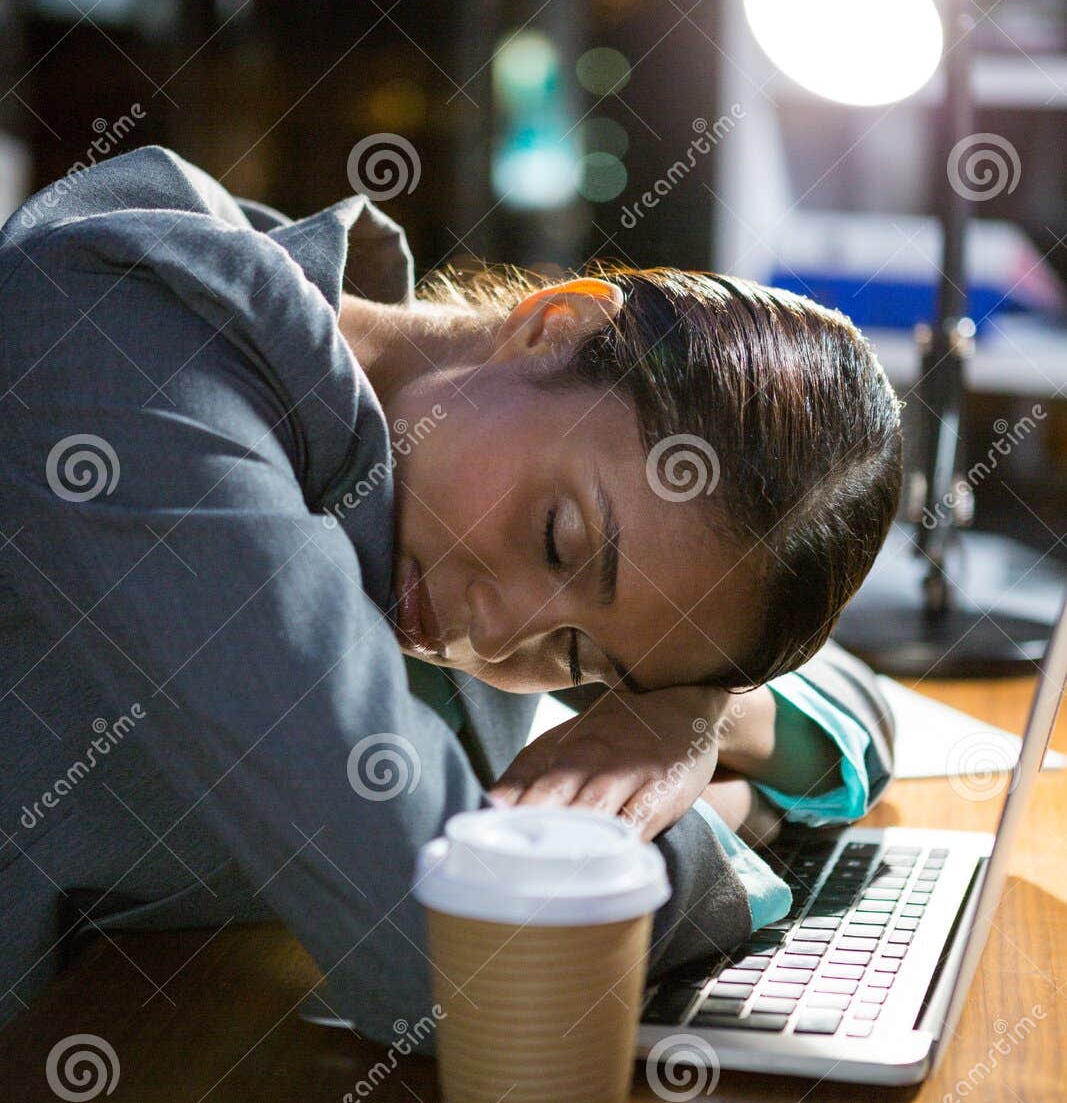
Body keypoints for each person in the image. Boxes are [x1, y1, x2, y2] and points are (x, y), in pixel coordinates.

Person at [0, 147, 899, 1046]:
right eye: (559, 539)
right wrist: (730, 815)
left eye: (582, 658)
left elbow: (861, 715)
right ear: (552, 326)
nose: (501, 634)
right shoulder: (135, 339)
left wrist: (689, 721)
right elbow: (466, 957)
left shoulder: (431, 455)